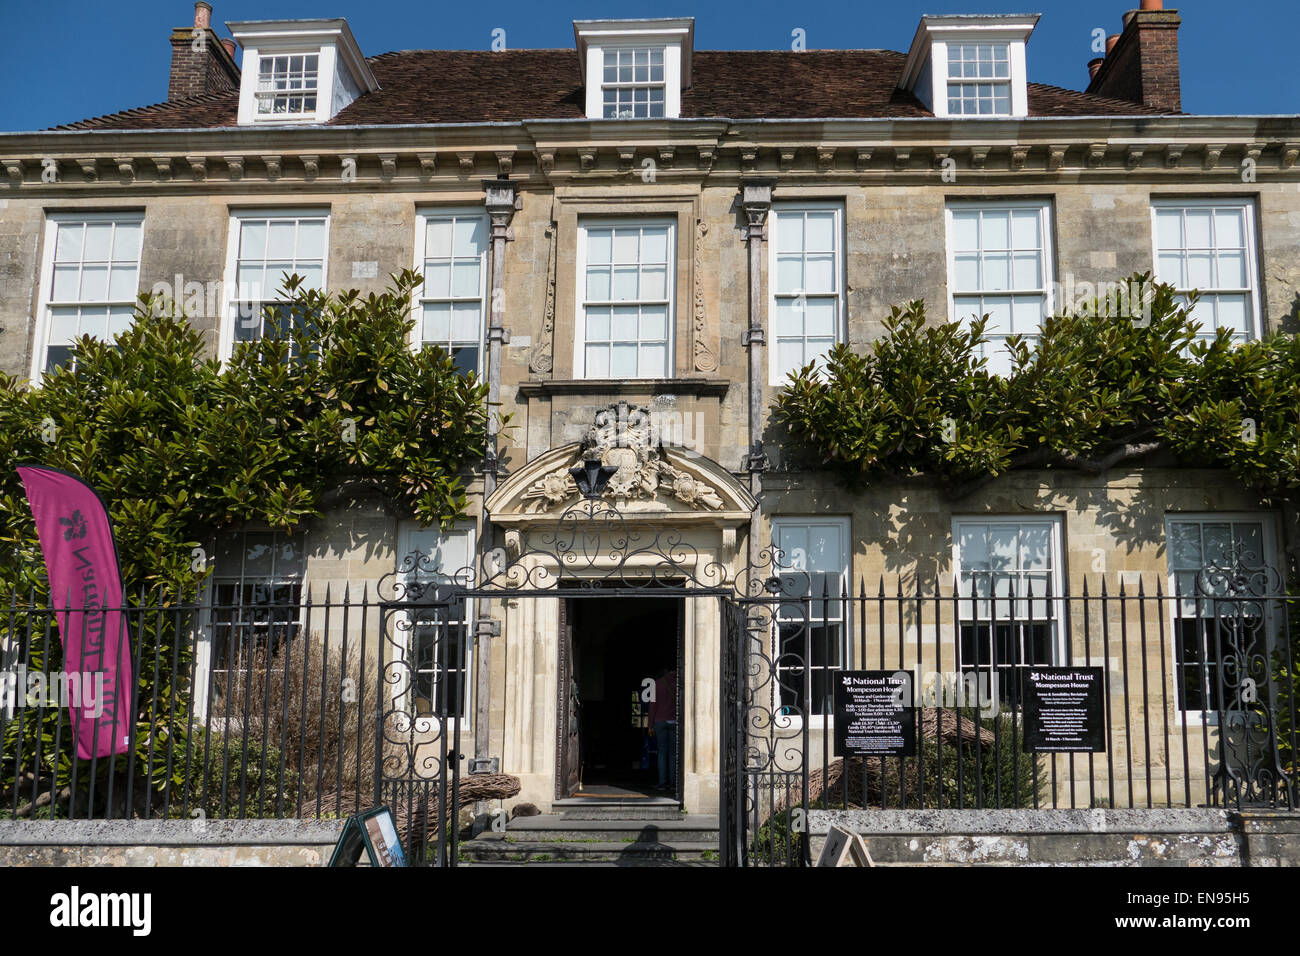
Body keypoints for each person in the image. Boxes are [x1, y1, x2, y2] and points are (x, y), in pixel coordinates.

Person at [648, 664, 677, 793]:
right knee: (673, 753)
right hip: (674, 722)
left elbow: (652, 706)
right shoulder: (680, 683)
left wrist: (650, 725)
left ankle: (662, 783)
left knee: (662, 753)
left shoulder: (657, 684)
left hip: (659, 722)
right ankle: (673, 783)